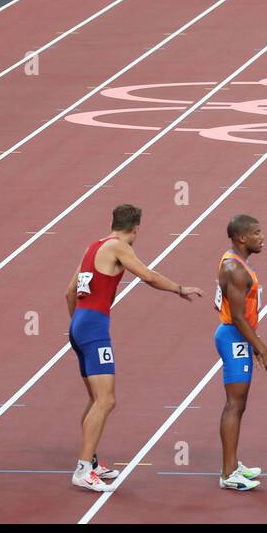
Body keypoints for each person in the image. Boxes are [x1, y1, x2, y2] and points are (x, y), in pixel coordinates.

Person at [66, 204, 202, 492]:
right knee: (106, 401)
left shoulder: (94, 246)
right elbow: (148, 276)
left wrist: (77, 325)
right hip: (94, 327)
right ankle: (82, 469)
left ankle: (88, 462)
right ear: (136, 228)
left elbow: (69, 291)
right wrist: (179, 288)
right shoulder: (118, 247)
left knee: (95, 400)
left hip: (80, 323)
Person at [215, 214, 267, 491]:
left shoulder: (237, 263)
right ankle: (228, 473)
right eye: (256, 233)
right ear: (241, 238)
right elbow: (239, 318)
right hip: (234, 336)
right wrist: (263, 350)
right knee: (234, 404)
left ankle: (232, 464)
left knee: (239, 405)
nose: (261, 237)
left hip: (237, 336)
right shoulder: (235, 269)